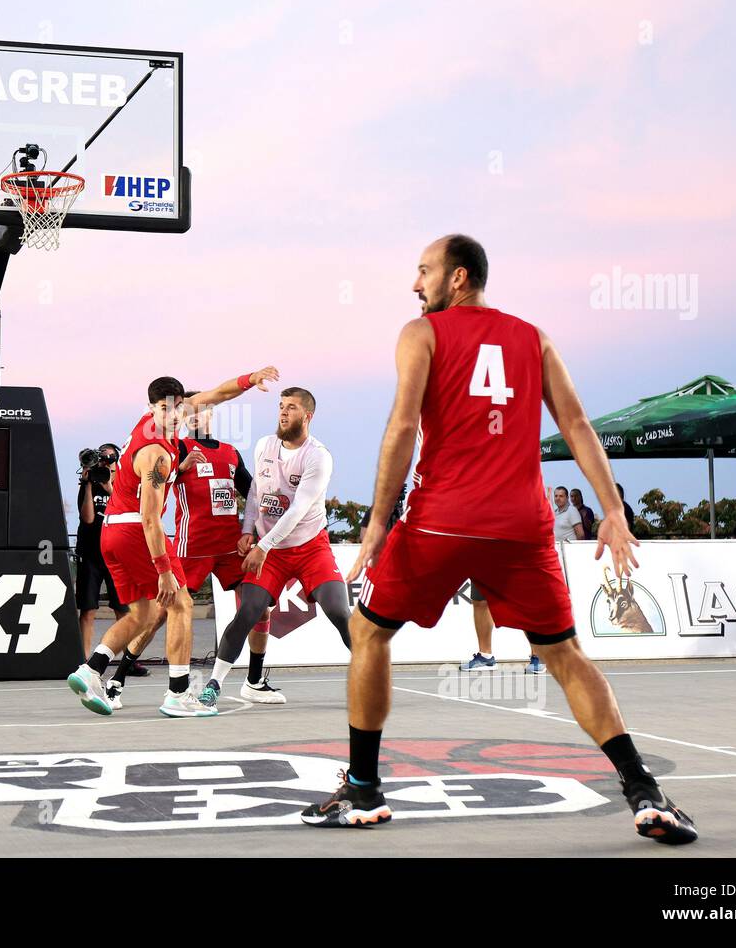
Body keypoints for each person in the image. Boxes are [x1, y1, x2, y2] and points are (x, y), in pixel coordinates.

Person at [302, 233, 696, 845]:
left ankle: (363, 788)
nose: (415, 284)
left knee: (368, 632)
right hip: (522, 526)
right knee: (565, 654)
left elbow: (403, 424)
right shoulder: (533, 337)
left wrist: (379, 520)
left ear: (457, 278)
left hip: (442, 519)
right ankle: (643, 789)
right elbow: (577, 423)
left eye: (424, 271)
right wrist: (613, 509)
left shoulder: (421, 333)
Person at [66, 366, 279, 718]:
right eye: (163, 409)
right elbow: (150, 518)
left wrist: (250, 379)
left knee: (144, 613)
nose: (170, 415)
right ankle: (178, 694)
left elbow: (216, 394)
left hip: (113, 533)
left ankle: (90, 671)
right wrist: (164, 570)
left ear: (181, 406)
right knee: (180, 604)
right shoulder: (158, 455)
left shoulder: (154, 427)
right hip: (137, 532)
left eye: (175, 408)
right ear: (152, 409)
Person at [198, 387, 353, 710]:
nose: (283, 413)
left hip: (310, 547)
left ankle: (371, 677)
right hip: (271, 552)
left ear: (307, 416)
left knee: (338, 610)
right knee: (249, 611)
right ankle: (214, 685)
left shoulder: (318, 456)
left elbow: (297, 511)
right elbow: (256, 492)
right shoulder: (265, 446)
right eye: (281, 406)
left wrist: (262, 545)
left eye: (291, 408)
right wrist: (246, 530)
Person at [74, 444, 135, 661]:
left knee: (123, 609)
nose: (105, 463)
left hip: (117, 555)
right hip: (91, 553)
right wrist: (88, 485)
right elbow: (88, 518)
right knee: (88, 609)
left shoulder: (123, 483)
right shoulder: (90, 482)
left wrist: (110, 487)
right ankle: (83, 659)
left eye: (110, 459)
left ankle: (125, 660)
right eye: (102, 458)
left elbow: (127, 510)